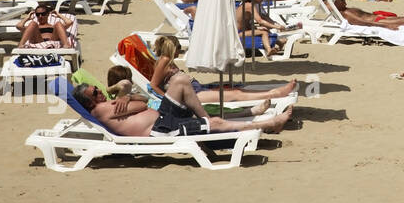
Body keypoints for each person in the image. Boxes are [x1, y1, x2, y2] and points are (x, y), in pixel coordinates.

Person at [71, 77, 292, 137]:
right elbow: (140, 105)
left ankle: (205, 120)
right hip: (161, 129)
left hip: (161, 116)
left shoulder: (108, 103)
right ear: (89, 101)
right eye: (95, 92)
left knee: (180, 81)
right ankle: (271, 124)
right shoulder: (99, 110)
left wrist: (128, 98)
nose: (100, 91)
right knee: (215, 121)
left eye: (97, 89)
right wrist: (129, 100)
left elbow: (143, 102)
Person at [149, 35, 297, 109]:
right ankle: (274, 94)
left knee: (235, 89)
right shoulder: (163, 61)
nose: (180, 51)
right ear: (172, 49)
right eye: (179, 48)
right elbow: (154, 84)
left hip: (195, 90)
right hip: (192, 95)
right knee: (236, 94)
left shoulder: (167, 61)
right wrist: (168, 99)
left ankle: (273, 91)